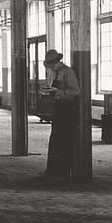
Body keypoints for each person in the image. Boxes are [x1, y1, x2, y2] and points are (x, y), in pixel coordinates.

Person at [40, 49, 80, 179]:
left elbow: (75, 91)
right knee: (55, 140)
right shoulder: (54, 72)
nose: (50, 68)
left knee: (65, 141)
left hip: (67, 108)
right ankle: (52, 170)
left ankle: (62, 172)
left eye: (52, 65)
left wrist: (57, 91)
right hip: (58, 107)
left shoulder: (68, 72)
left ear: (57, 62)